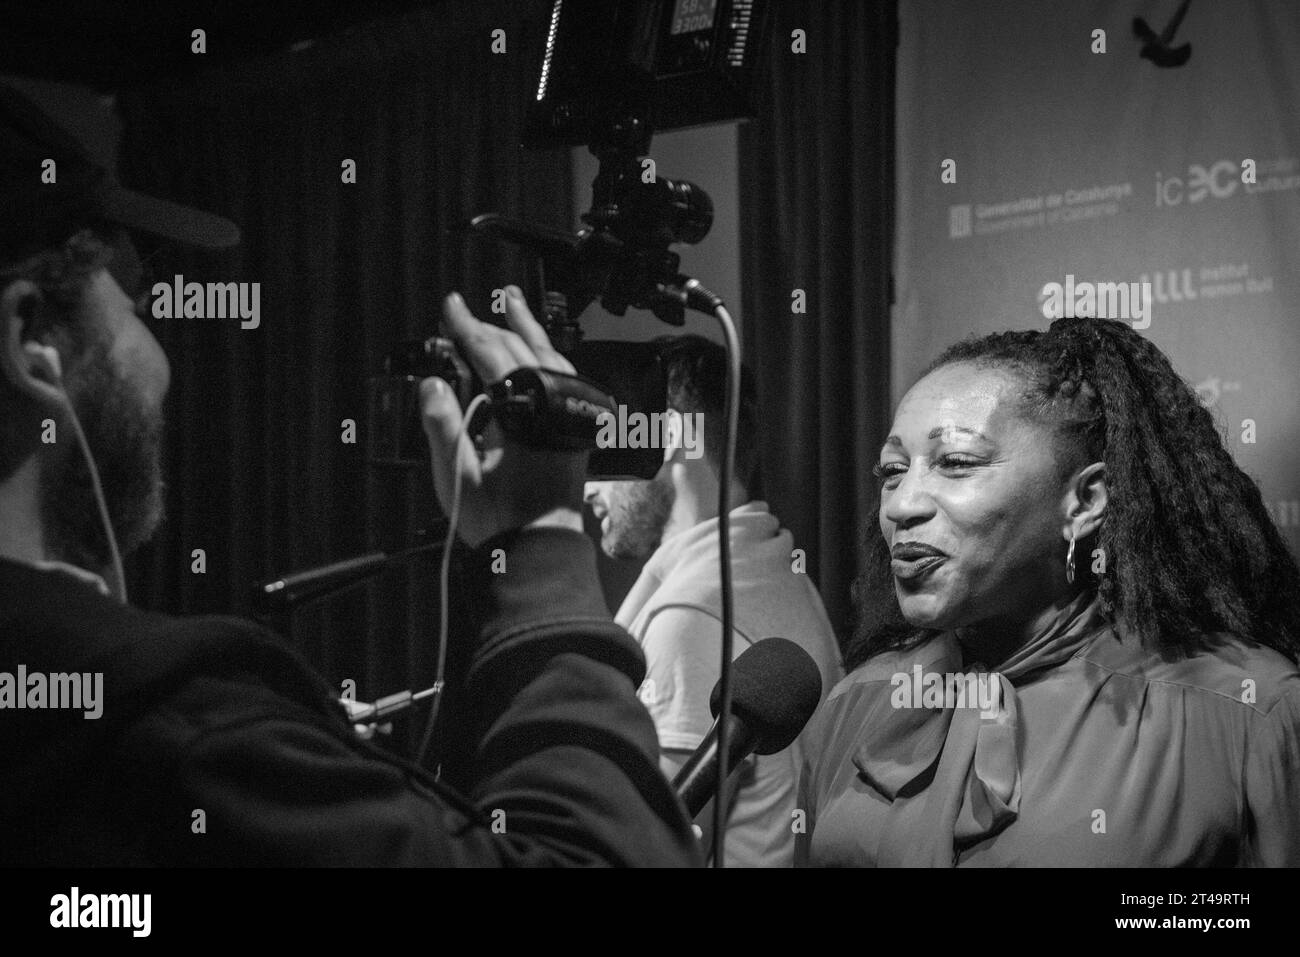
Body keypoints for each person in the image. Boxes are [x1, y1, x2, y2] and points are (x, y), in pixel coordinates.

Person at [0, 85, 699, 866]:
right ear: (32, 340)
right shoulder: (166, 737)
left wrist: (313, 761)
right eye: (132, 302)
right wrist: (540, 546)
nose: (159, 355)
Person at [797, 316, 1300, 866]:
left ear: (1085, 502)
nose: (900, 504)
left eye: (956, 463)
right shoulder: (855, 701)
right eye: (893, 470)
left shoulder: (1246, 712)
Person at [584, 335, 842, 867]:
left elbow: (645, 853)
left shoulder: (695, 616)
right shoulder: (770, 569)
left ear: (672, 434)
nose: (588, 486)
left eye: (607, 443)